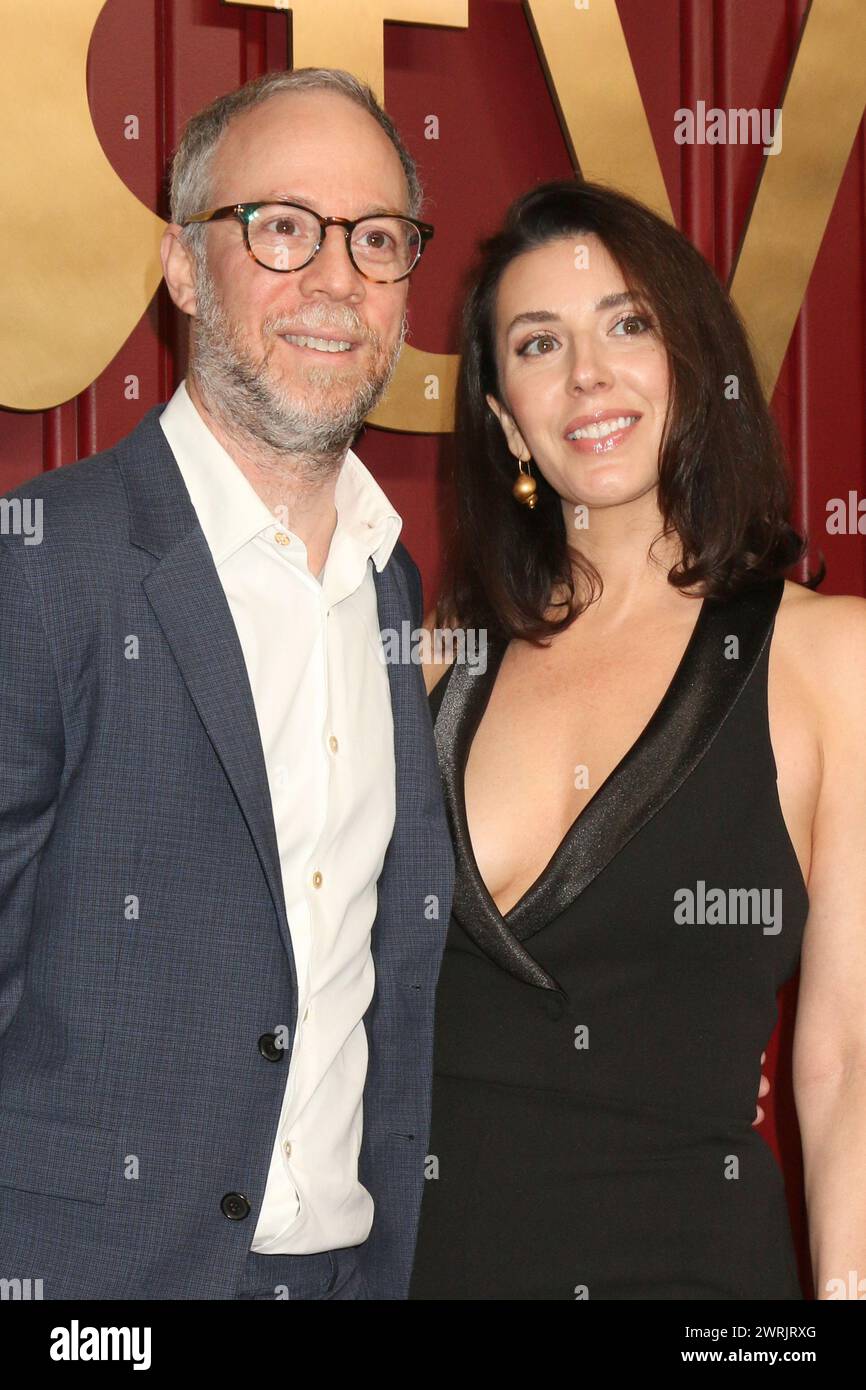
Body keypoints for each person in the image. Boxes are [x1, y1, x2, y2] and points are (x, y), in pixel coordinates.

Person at [0, 68, 453, 1300]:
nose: (336, 279)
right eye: (282, 227)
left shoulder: (391, 584)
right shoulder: (44, 561)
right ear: (186, 269)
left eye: (375, 239)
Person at [408, 179, 866, 1300]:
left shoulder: (826, 663)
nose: (586, 376)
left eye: (626, 324)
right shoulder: (427, 666)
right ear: (503, 413)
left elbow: (847, 1059)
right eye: (536, 343)